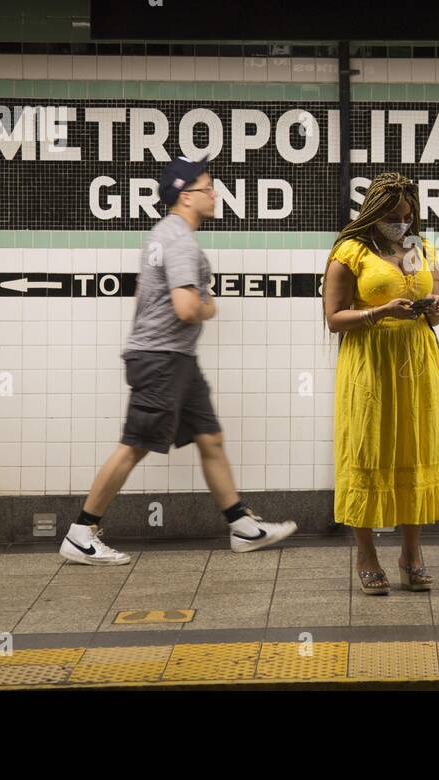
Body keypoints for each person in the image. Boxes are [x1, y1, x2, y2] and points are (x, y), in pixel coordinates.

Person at [60, 157, 297, 565]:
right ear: (186, 196)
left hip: (174, 358)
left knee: (210, 439)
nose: (215, 194)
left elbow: (144, 297)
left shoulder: (162, 234)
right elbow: (187, 308)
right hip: (162, 360)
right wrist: (209, 307)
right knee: (134, 445)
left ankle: (242, 527)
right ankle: (81, 533)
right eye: (208, 188)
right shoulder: (181, 241)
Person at [323, 172, 439, 595]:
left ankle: (411, 554)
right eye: (393, 215)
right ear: (374, 212)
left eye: (407, 215)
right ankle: (366, 555)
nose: (401, 223)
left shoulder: (419, 248)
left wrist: (434, 308)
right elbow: (334, 317)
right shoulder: (350, 251)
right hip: (369, 364)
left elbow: (438, 312)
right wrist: (379, 313)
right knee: (368, 448)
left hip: (417, 361)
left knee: (414, 446)